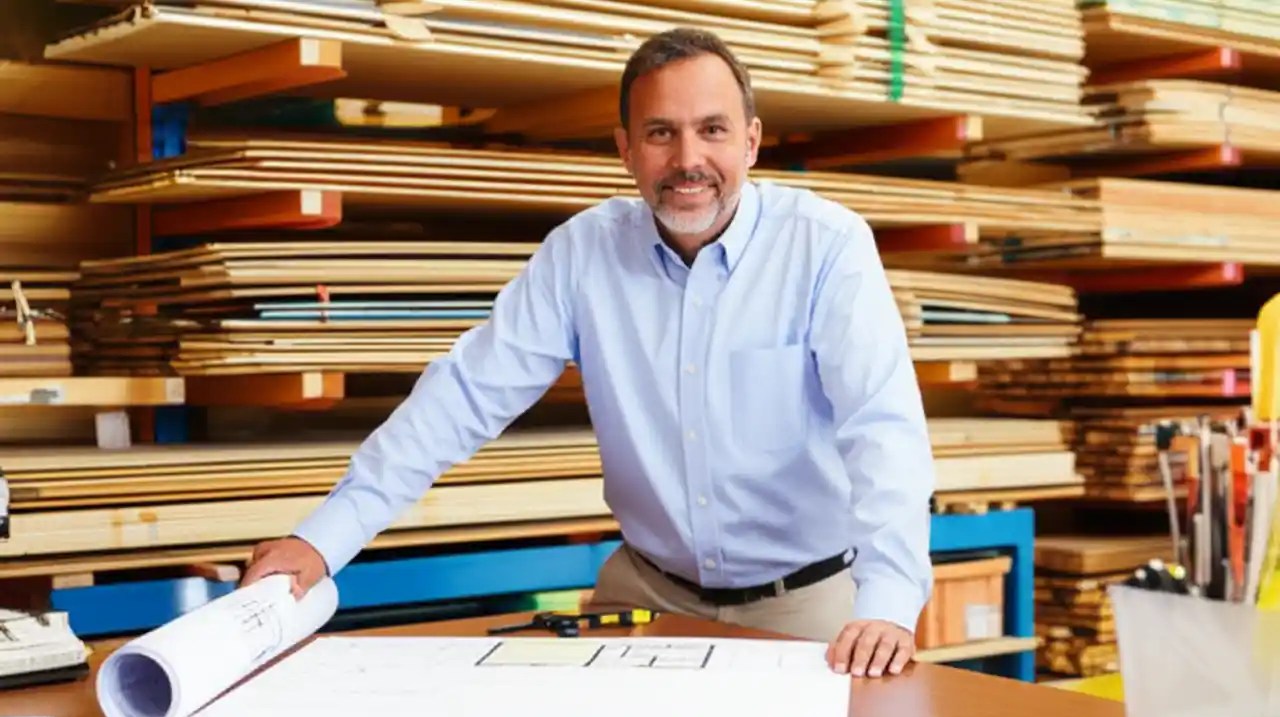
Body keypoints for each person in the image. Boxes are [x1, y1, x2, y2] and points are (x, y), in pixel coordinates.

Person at [242, 27, 936, 680]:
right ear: (625, 149)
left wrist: (889, 599)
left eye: (712, 130)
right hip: (648, 588)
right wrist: (322, 541)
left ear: (751, 143)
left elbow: (882, 429)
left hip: (806, 598)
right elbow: (462, 398)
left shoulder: (825, 246)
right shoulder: (581, 253)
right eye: (661, 133)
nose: (688, 159)